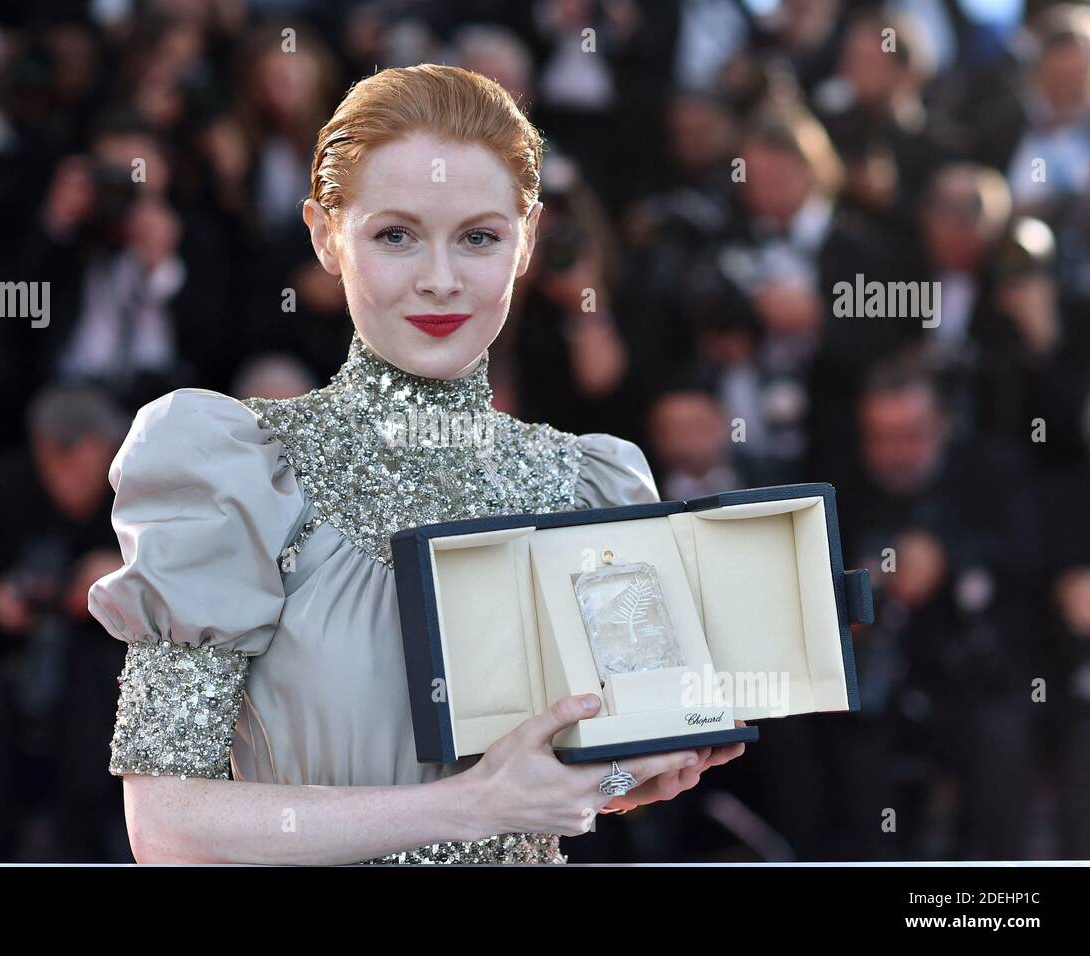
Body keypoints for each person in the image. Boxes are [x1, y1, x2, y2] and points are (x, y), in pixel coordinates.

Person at [87, 64, 745, 866]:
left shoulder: (589, 483)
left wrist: (623, 780)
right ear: (326, 236)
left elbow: (555, 793)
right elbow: (166, 828)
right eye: (395, 234)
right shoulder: (235, 468)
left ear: (528, 238)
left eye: (479, 236)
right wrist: (470, 805)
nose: (440, 278)